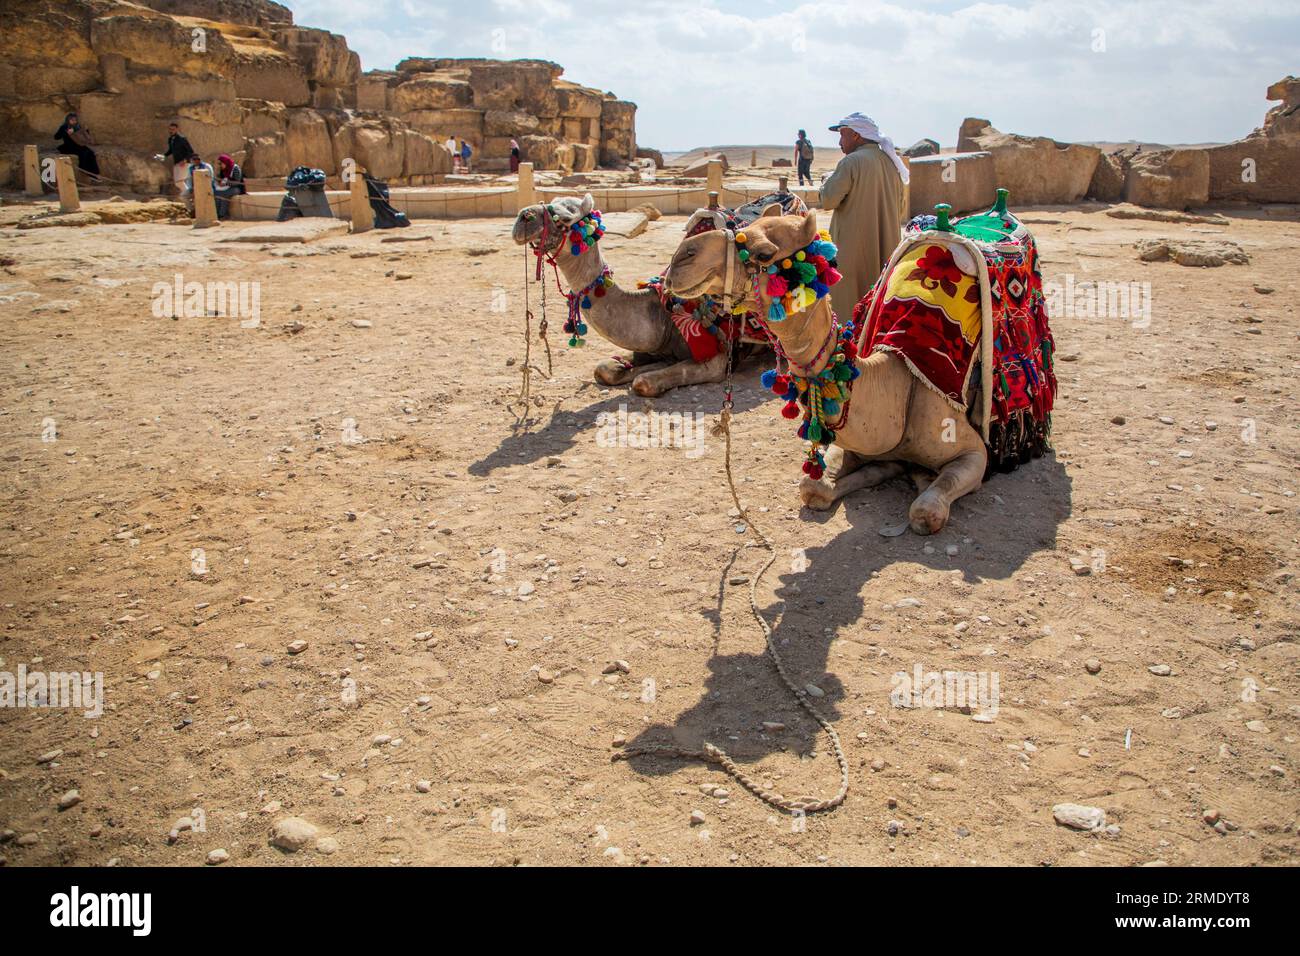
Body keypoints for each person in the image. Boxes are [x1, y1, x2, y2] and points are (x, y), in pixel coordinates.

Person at [819, 112, 908, 323]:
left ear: (857, 136)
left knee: (847, 307)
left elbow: (828, 200)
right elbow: (901, 207)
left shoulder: (851, 162)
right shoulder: (892, 164)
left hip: (851, 253)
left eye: (843, 135)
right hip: (886, 251)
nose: (840, 142)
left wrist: (826, 182)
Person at [154, 122, 195, 196]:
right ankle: (188, 195)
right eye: (170, 129)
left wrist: (185, 160)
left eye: (173, 129)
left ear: (177, 129)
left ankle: (188, 195)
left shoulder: (182, 139)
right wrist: (163, 156)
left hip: (184, 163)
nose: (171, 131)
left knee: (179, 182)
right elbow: (171, 150)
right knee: (177, 183)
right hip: (176, 162)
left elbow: (191, 152)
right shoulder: (171, 139)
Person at [214, 153, 246, 219]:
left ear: (225, 162)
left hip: (237, 188)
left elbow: (237, 182)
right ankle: (217, 213)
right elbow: (221, 179)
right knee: (216, 194)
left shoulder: (235, 168)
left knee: (224, 194)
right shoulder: (223, 170)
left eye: (221, 163)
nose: (220, 165)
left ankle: (222, 214)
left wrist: (226, 184)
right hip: (225, 187)